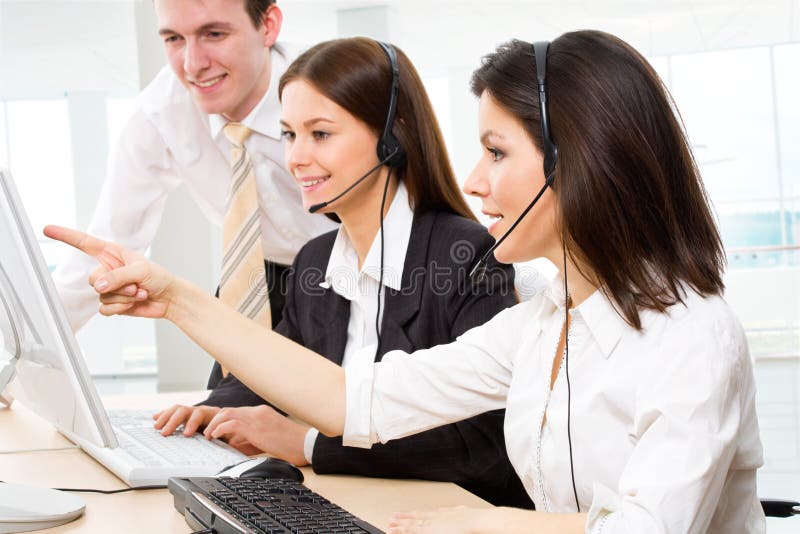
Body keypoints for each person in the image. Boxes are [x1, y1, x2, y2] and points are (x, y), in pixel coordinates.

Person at [46, 30, 765, 533]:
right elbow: (350, 399)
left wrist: (489, 527)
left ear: (576, 162)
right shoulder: (544, 324)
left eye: (495, 152)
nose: (476, 182)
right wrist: (176, 299)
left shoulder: (695, 335)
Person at [51, 0, 336, 358]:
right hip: (260, 278)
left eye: (213, 34)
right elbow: (105, 245)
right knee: (220, 411)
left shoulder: (331, 89)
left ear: (268, 26)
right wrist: (25, 350)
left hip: (359, 267)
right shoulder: (160, 113)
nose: (192, 65)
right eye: (173, 39)